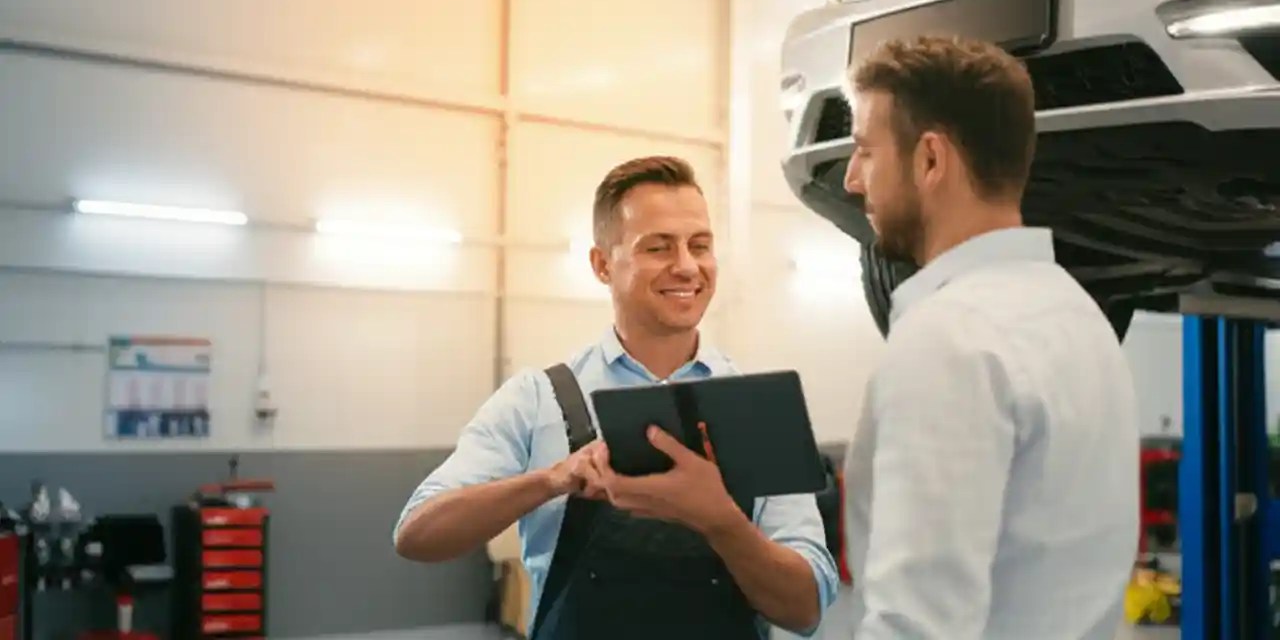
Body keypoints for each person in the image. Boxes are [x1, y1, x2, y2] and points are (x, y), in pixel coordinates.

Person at [393, 156, 839, 639]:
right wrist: (552, 479)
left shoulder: (758, 412)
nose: (687, 266)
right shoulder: (538, 399)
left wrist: (721, 520)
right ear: (602, 264)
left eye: (700, 245)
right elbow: (417, 534)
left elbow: (805, 608)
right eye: (659, 247)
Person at [837, 36, 1139, 639]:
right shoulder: (1081, 319)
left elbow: (918, 625)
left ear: (930, 161)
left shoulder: (947, 341)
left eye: (866, 151)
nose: (850, 180)